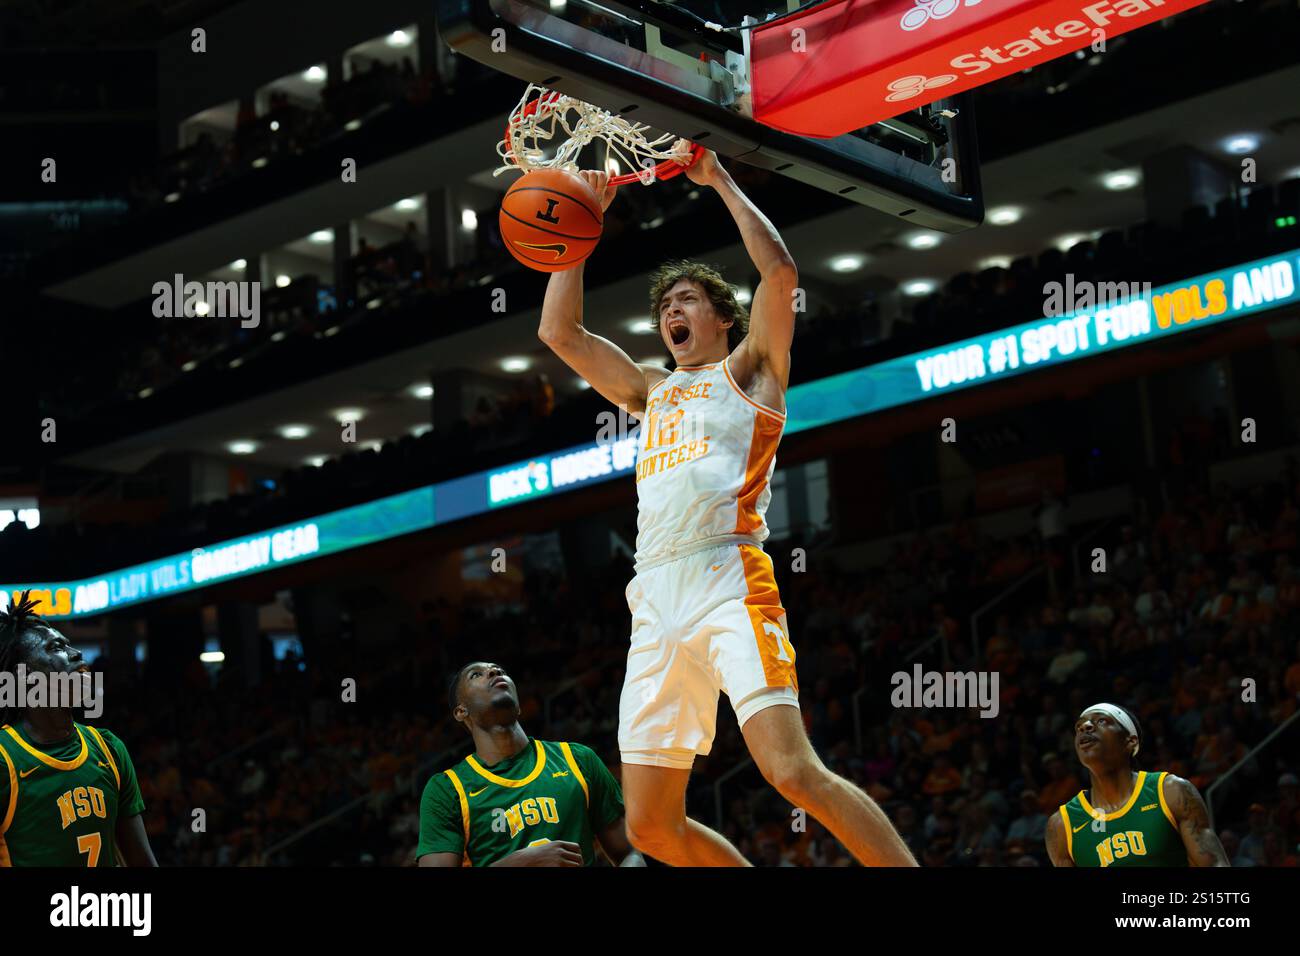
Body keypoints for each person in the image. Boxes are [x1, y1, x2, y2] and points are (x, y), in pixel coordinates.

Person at [537, 149, 914, 866]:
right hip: (653, 594)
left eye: (684, 300)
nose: (669, 312)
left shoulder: (752, 368)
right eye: (663, 307)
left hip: (727, 576)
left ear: (721, 317)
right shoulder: (650, 391)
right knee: (647, 829)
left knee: (790, 772)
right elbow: (560, 334)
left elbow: (780, 273)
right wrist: (580, 229)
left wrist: (719, 181)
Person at [416, 662, 642, 867]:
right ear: (461, 711)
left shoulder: (577, 759)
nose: (495, 672)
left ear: (518, 705)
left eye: (500, 671)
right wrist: (522, 862)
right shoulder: (447, 790)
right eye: (477, 674)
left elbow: (629, 853)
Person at [0, 592, 156, 867]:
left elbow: (142, 861)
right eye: (56, 647)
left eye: (69, 645)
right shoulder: (5, 759)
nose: (77, 653)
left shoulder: (108, 749)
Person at [1045, 703, 1228, 867]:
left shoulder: (1169, 791)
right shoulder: (1062, 825)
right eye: (1079, 727)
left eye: (1101, 721)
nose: (1085, 727)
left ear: (1130, 741)